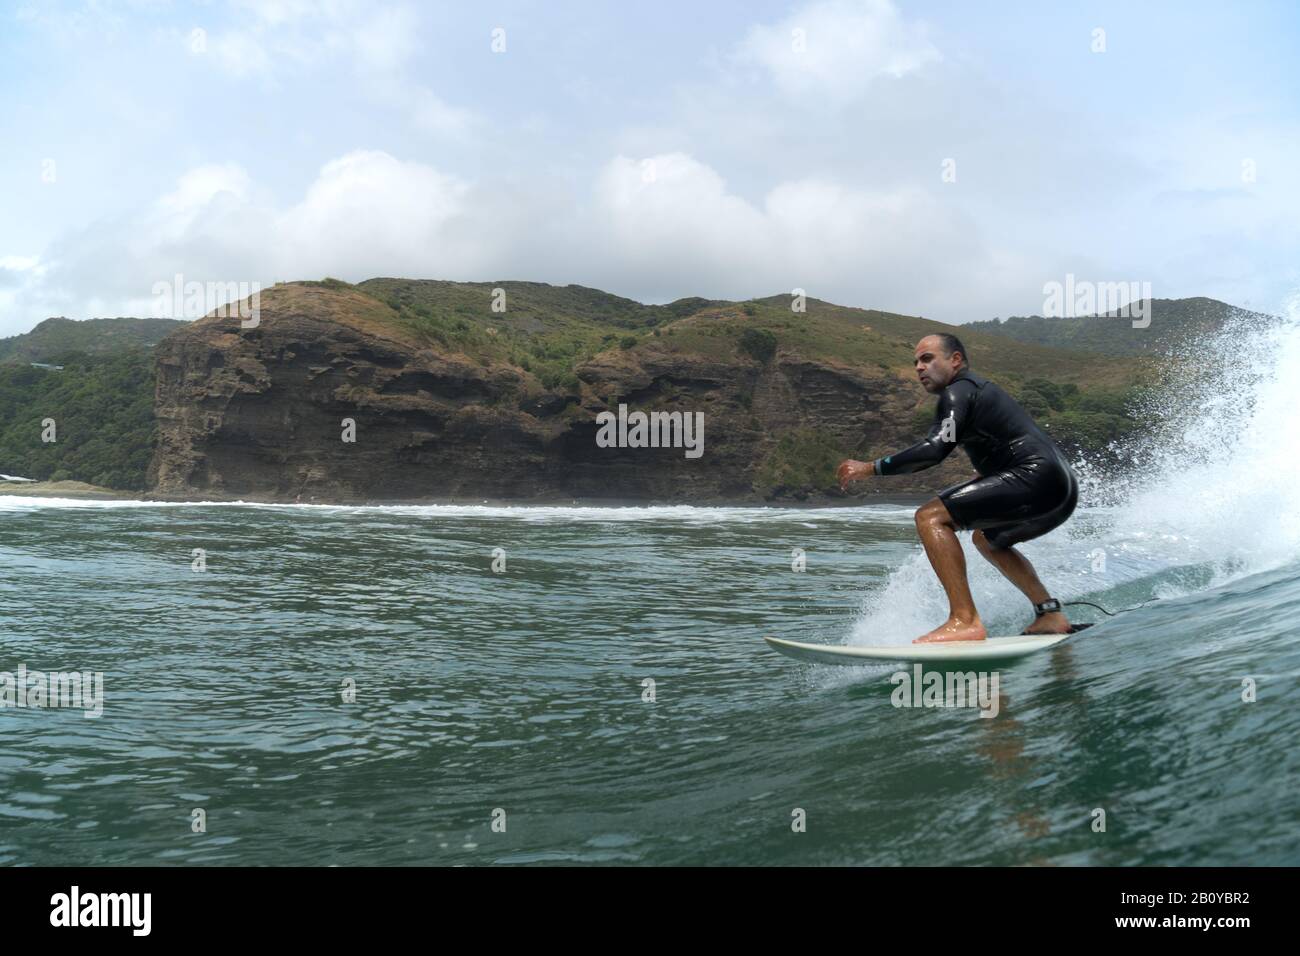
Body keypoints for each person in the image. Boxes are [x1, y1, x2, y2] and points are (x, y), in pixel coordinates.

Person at [837, 333, 1079, 643]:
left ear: (955, 360)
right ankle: (1050, 613)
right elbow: (1007, 444)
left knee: (930, 517)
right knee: (987, 539)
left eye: (927, 359)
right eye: (915, 363)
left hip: (1035, 478)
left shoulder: (958, 392)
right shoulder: (976, 393)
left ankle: (964, 620)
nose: (919, 368)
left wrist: (871, 467)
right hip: (1060, 488)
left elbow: (934, 449)